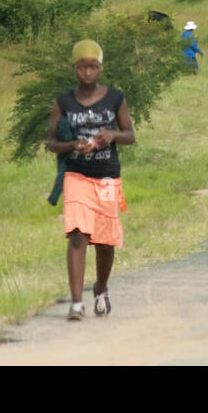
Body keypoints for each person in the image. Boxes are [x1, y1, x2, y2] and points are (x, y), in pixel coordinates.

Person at [46, 39, 135, 321]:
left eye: (93, 67)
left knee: (106, 242)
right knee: (77, 234)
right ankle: (76, 303)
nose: (87, 73)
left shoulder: (115, 98)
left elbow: (130, 135)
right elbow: (52, 142)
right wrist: (74, 145)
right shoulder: (63, 102)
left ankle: (100, 287)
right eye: (82, 67)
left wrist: (112, 136)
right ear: (74, 68)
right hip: (76, 175)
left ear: (100, 68)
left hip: (107, 177)